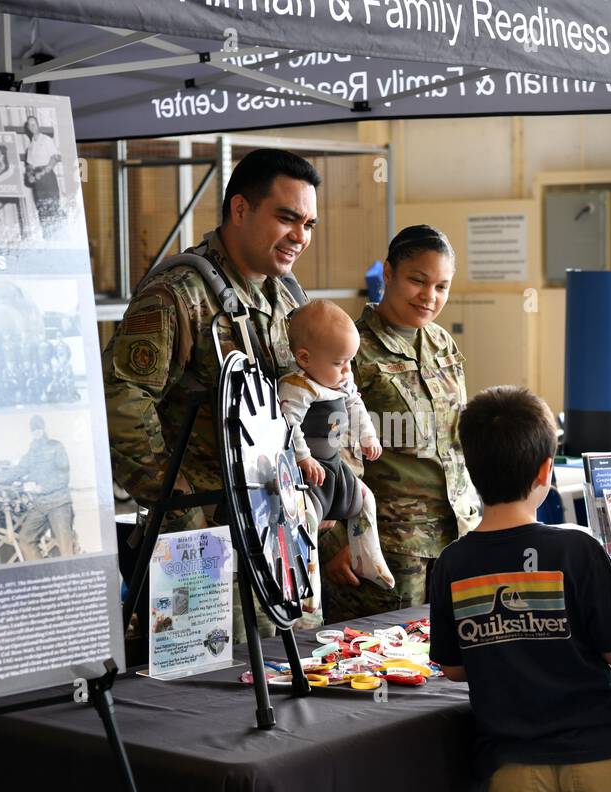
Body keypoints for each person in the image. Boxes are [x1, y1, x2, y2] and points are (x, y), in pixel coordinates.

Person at [103, 147, 322, 637]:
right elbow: (122, 402)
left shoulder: (287, 295)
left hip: (278, 535)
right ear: (241, 209)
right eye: (287, 219)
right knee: (208, 696)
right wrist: (178, 506)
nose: (300, 237)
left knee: (294, 680)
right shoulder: (178, 294)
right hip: (207, 547)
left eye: (308, 224)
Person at [430, 386, 611, 792]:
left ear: (469, 469)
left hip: (515, 769)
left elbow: (452, 669)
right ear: (546, 470)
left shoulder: (451, 563)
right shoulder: (577, 549)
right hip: (601, 759)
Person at [322, 225, 480, 622]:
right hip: (384, 549)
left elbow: (455, 443)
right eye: (418, 280)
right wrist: (335, 540)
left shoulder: (441, 343)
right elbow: (324, 454)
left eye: (442, 287)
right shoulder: (350, 349)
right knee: (381, 664)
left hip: (456, 541)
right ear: (388, 274)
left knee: (451, 667)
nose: (430, 297)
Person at [277, 301, 393, 589]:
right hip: (305, 473)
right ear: (304, 358)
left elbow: (356, 405)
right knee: (307, 520)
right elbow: (287, 424)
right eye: (339, 362)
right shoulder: (298, 386)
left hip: (332, 465)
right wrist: (302, 458)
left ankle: (367, 557)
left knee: (365, 499)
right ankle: (307, 581)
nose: (346, 370)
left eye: (349, 361)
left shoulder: (340, 381)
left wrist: (368, 436)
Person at [2, 414, 74, 560]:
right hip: (40, 505)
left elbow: (63, 476)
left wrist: (42, 487)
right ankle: (43, 574)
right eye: (34, 430)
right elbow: (19, 469)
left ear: (43, 429)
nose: (36, 432)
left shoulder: (56, 446)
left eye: (38, 429)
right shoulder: (32, 451)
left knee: (66, 548)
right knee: (25, 539)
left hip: (59, 503)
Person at [22, 116, 63, 238]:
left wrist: (43, 172)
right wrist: (29, 175)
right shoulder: (30, 146)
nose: (33, 127)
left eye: (34, 124)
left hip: (48, 177)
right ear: (28, 128)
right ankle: (48, 238)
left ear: (38, 125)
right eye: (30, 125)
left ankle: (58, 238)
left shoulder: (46, 140)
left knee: (53, 209)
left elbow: (55, 158)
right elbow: (29, 165)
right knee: (42, 211)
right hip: (38, 181)